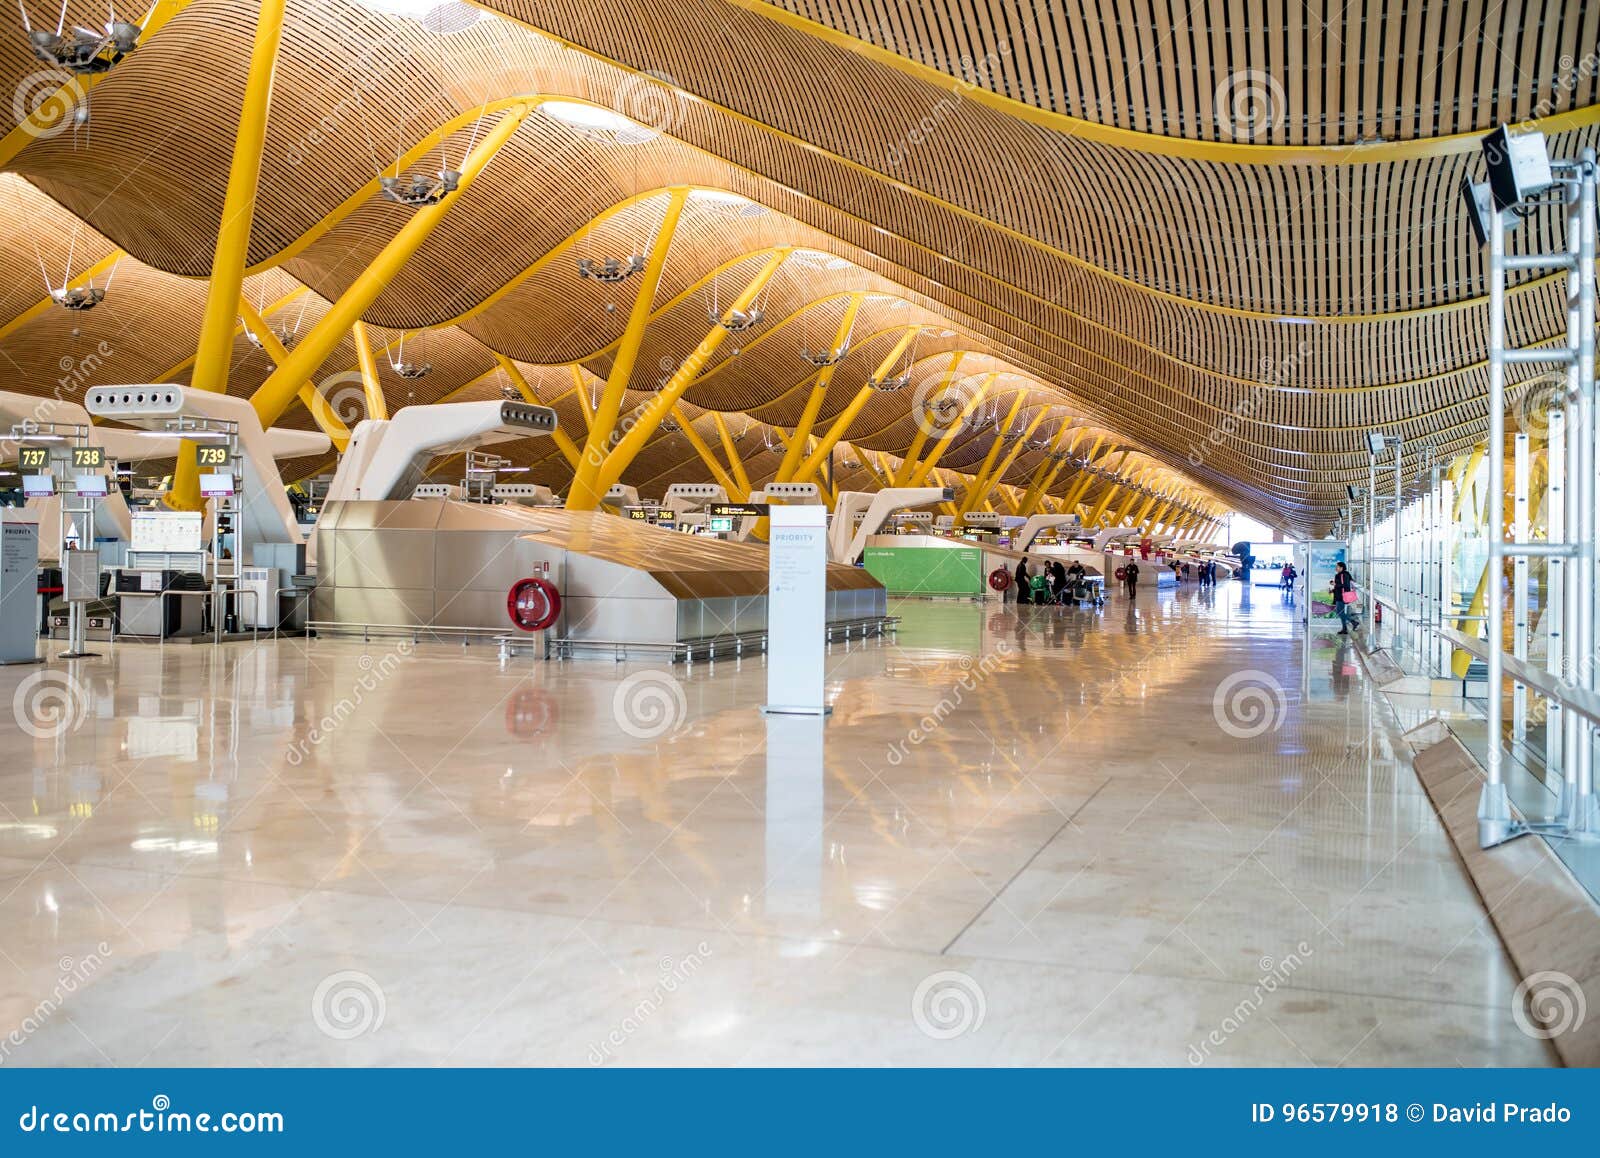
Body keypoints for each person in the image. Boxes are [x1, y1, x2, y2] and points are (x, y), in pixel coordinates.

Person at [1332, 561, 1357, 634]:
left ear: (1341, 568)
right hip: (1339, 595)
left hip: (1341, 596)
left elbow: (1345, 585)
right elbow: (1339, 586)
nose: (1336, 568)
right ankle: (1344, 629)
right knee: (1341, 612)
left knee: (1339, 612)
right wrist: (1333, 590)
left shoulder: (1343, 575)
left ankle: (1353, 622)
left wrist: (1335, 584)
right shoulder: (1339, 575)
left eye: (1337, 566)